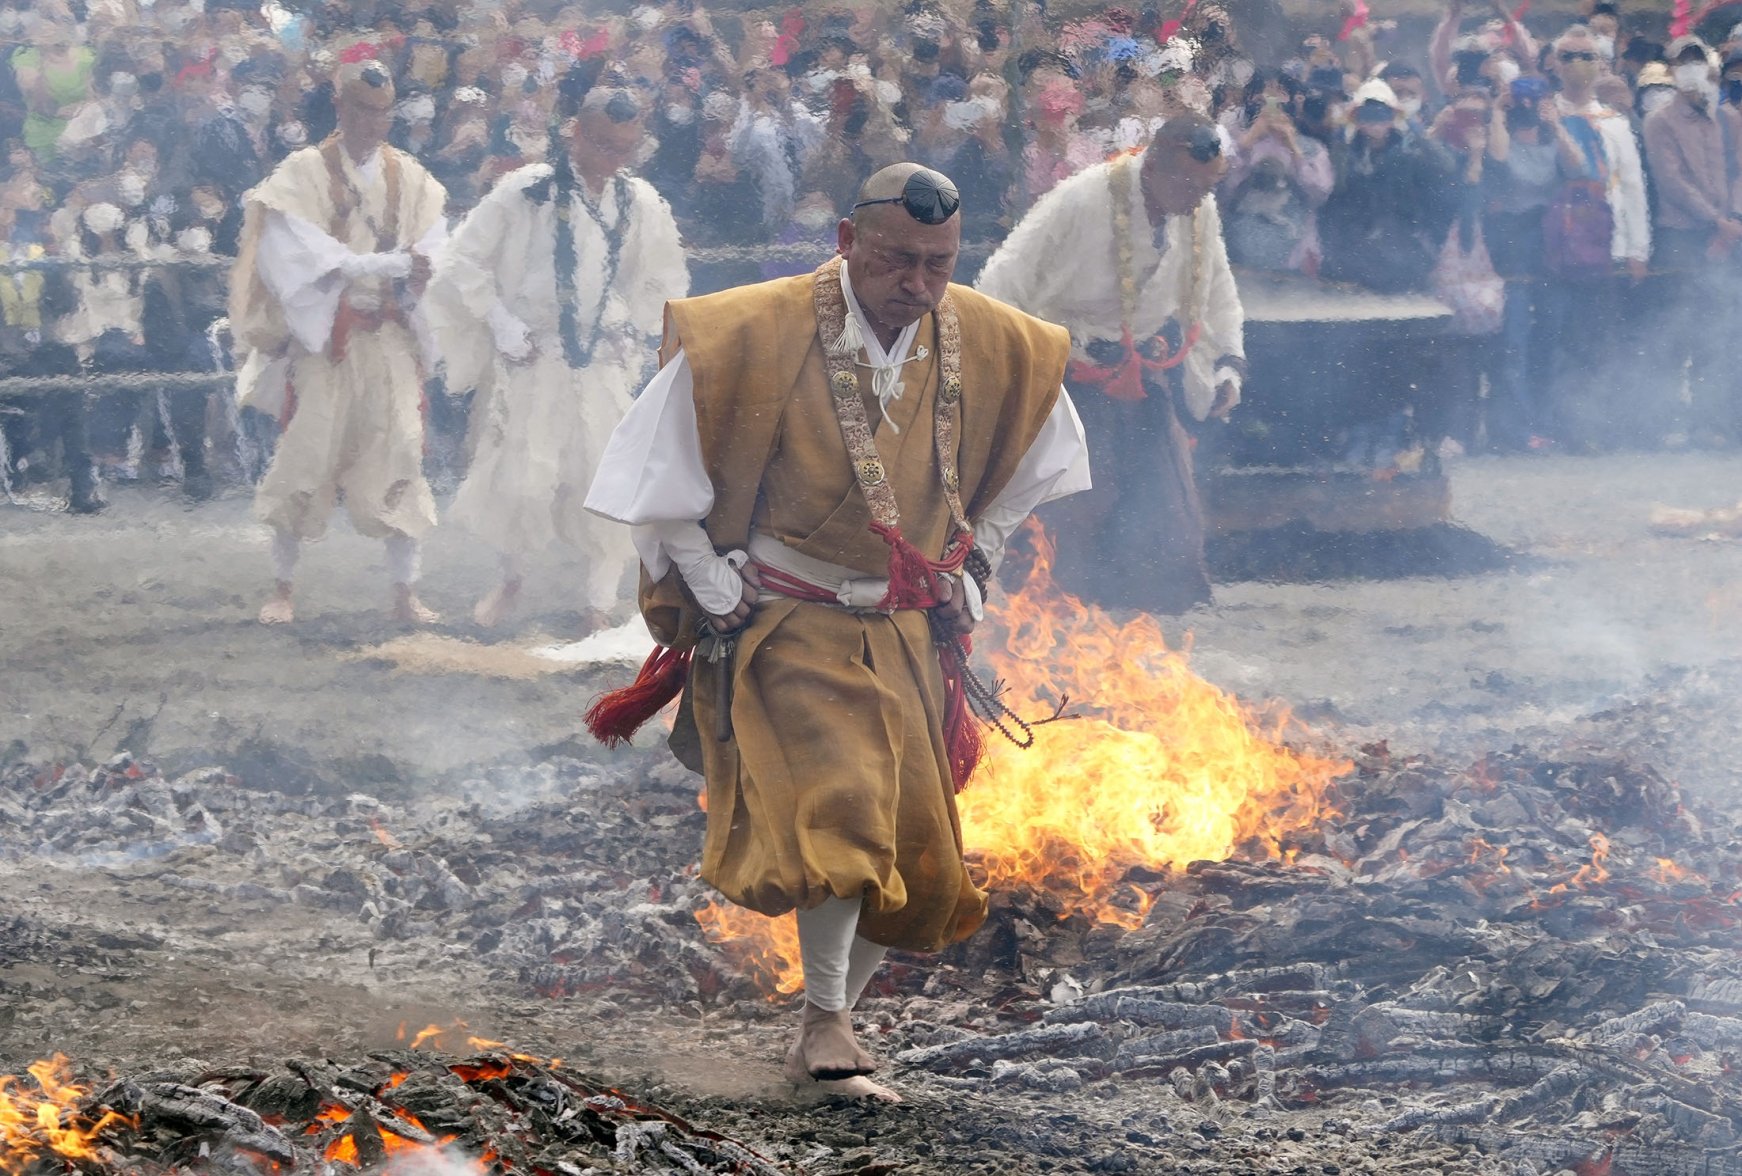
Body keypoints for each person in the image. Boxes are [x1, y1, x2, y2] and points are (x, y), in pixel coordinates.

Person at [584, 163, 1089, 1101]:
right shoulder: (751, 330)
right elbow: (649, 480)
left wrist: (974, 573)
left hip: (904, 631)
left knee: (922, 861)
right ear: (848, 243)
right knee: (847, 806)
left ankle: (828, 1034)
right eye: (898, 259)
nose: (920, 283)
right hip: (787, 618)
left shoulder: (994, 342)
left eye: (939, 263)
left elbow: (1028, 477)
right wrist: (707, 579)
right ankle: (825, 1021)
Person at [429, 85, 689, 629]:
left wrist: (637, 332)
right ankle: (511, 579)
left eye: (624, 148)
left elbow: (662, 275)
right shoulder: (525, 191)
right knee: (524, 476)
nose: (611, 158)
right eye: (602, 144)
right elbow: (462, 261)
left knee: (607, 476)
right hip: (536, 352)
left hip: (602, 360)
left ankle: (598, 599)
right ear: (575, 133)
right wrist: (501, 324)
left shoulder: (637, 201)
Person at [977, 114, 1244, 615]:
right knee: (1068, 519)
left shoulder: (1197, 209)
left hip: (1145, 375)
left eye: (1211, 186)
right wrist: (1000, 377)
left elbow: (1215, 291)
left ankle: (1141, 636)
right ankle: (1049, 625)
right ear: (1155, 166)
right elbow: (1004, 280)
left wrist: (1228, 364)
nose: (1200, 198)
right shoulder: (1082, 199)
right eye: (1190, 184)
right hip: (1069, 374)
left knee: (1169, 522)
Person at [227, 54, 448, 625]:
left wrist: (419, 272)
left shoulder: (413, 178)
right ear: (339, 107)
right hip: (328, 336)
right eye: (362, 109)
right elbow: (298, 258)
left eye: (383, 112)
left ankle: (404, 590)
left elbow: (436, 249)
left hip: (390, 336)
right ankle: (283, 586)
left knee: (402, 448)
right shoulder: (301, 173)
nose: (374, 122)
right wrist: (391, 262)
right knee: (307, 452)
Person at [1643, 35, 1742, 446]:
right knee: (1677, 329)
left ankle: (1714, 420)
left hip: (1731, 232)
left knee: (1721, 331)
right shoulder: (1659, 121)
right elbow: (1672, 181)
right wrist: (1715, 220)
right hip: (1683, 235)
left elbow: (1739, 170)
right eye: (1682, 62)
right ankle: (1668, 421)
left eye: (1696, 61)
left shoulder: (1729, 119)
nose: (1690, 68)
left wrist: (1733, 218)